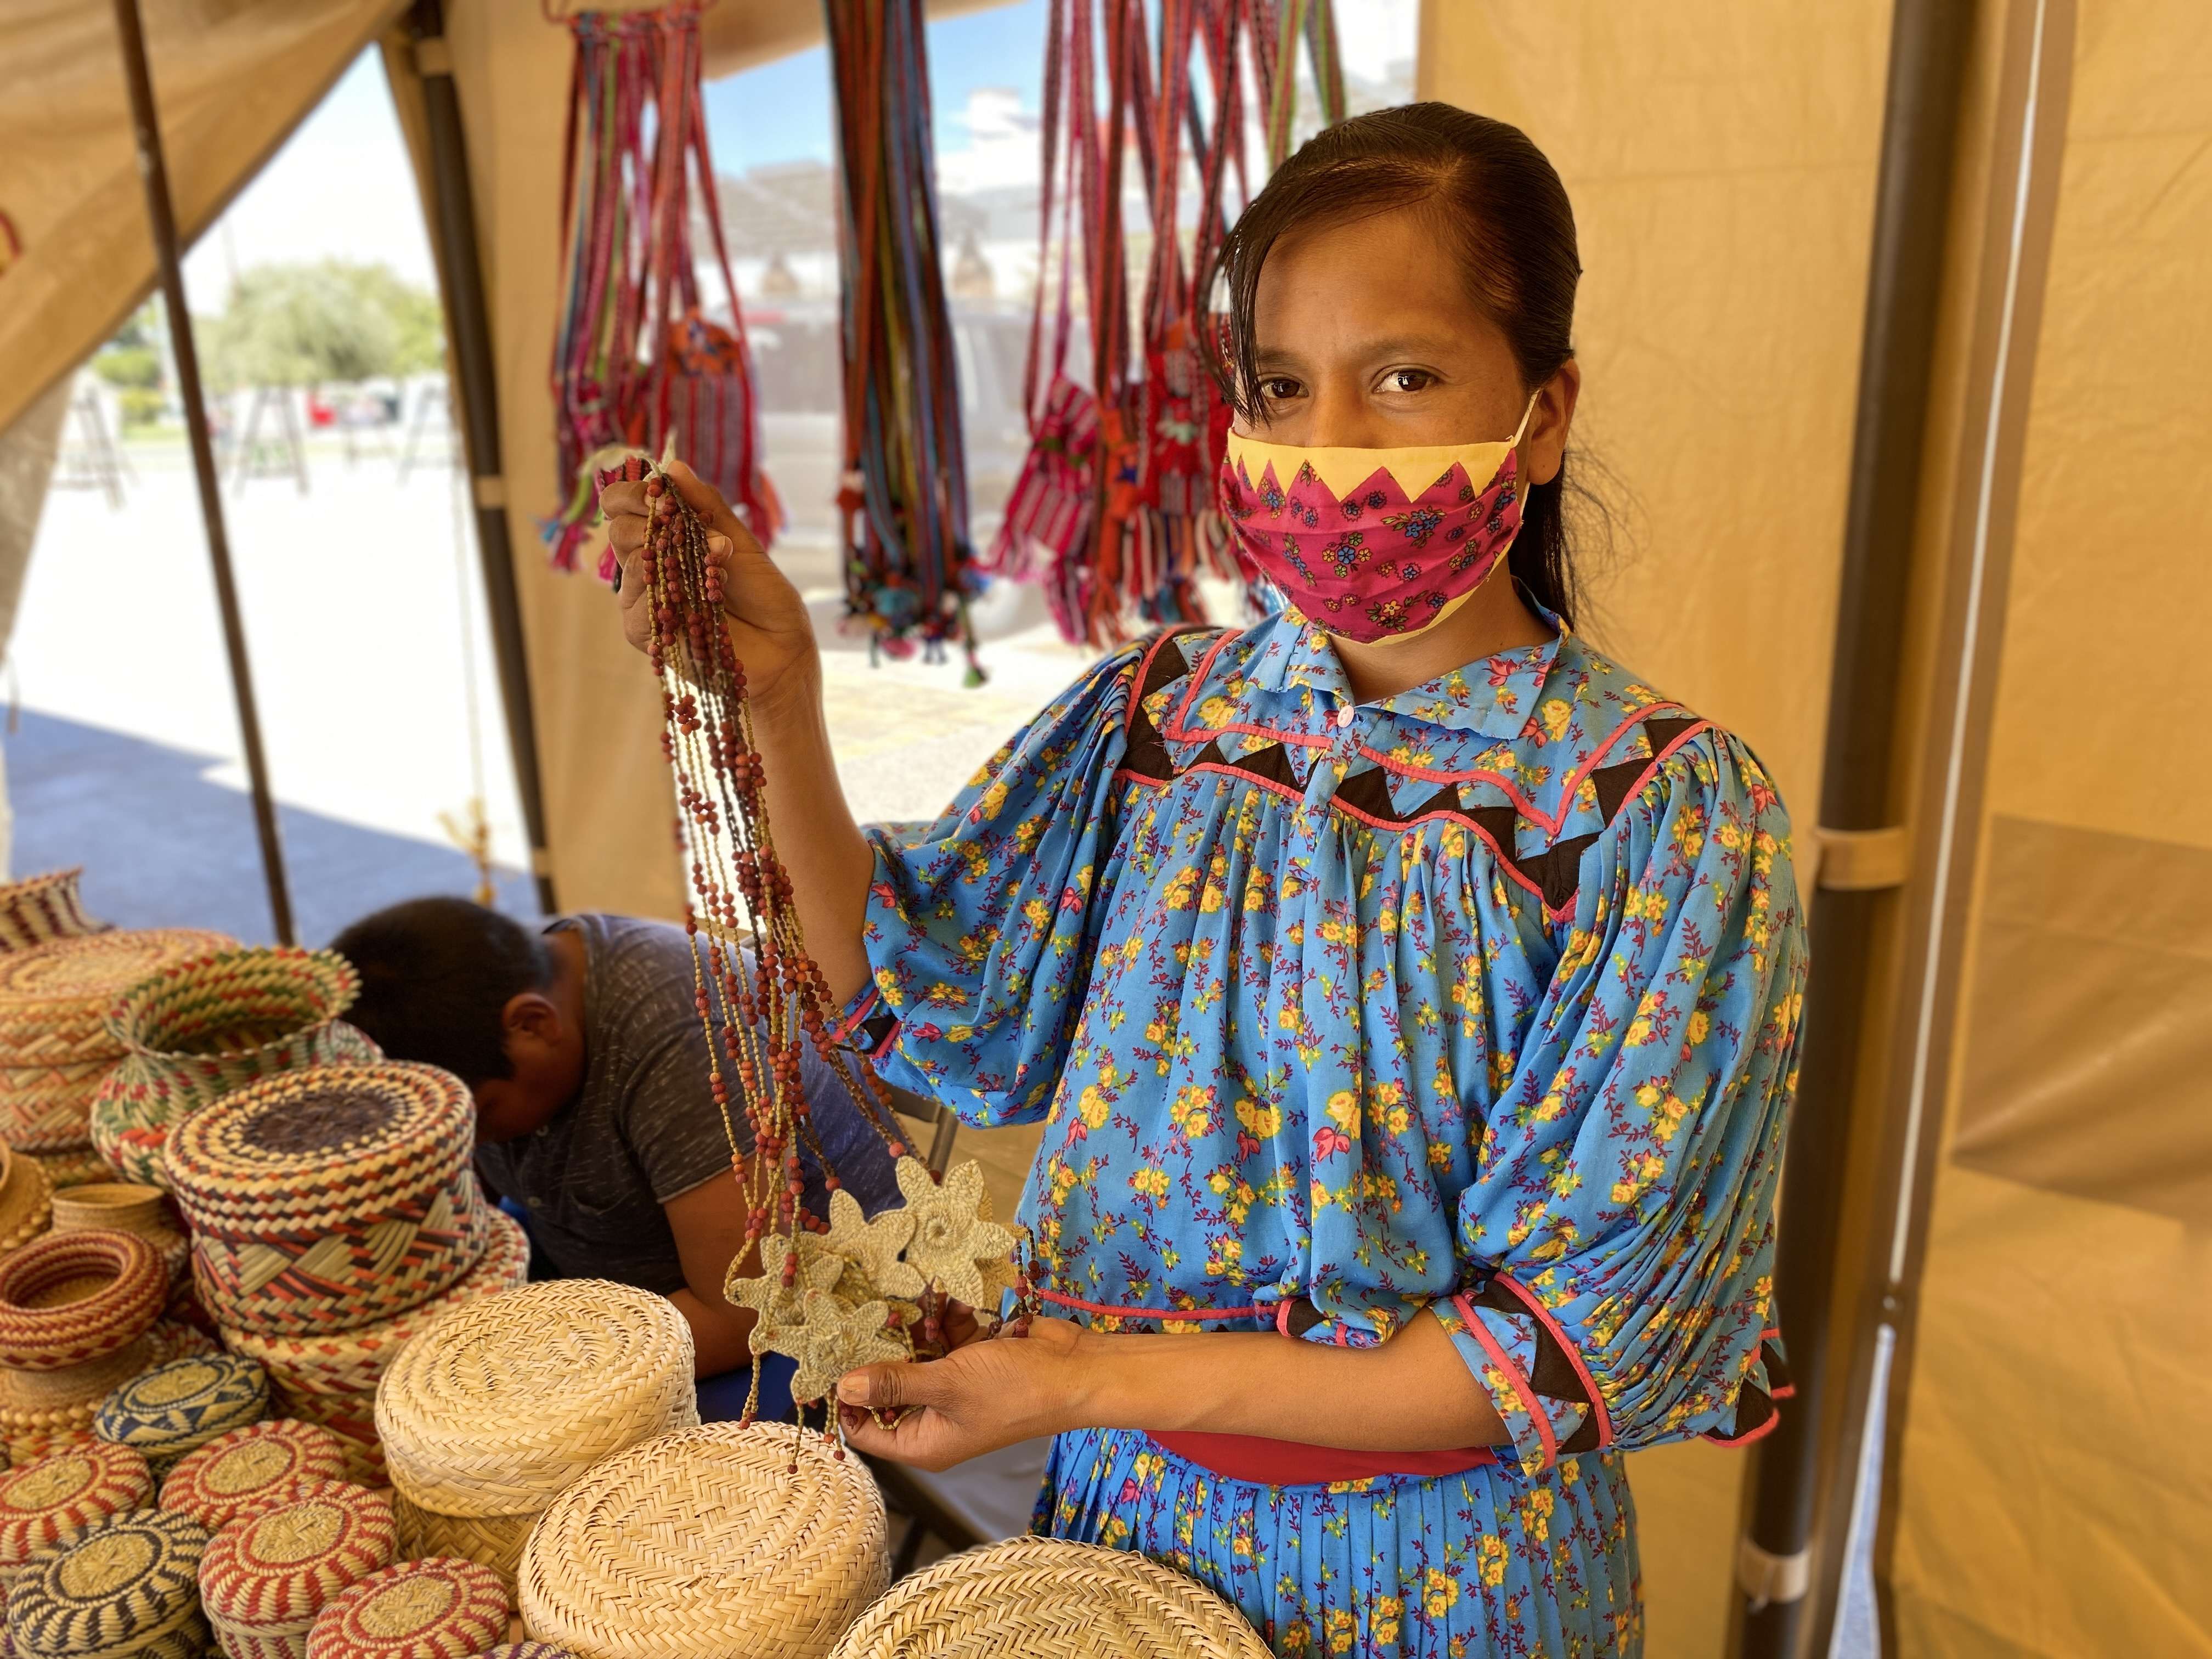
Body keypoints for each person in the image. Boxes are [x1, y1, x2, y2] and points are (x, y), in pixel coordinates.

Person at [602, 104, 1804, 1657]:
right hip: (1126, 1520)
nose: (1332, 447)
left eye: (1406, 377)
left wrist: (1091, 1377)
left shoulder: (1656, 813)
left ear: (1547, 410)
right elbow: (918, 989)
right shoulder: (1158, 719)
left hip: (1448, 1581)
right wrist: (779, 706)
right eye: (1284, 387)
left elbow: (1571, 1343)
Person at [329, 898, 902, 1398]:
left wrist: (522, 1368)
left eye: (476, 1122)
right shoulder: (481, 984)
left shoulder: (684, 1038)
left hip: (792, 1327)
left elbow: (743, 1318)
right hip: (613, 1292)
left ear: (532, 1024)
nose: (463, 1148)